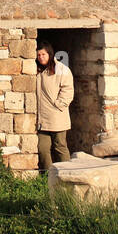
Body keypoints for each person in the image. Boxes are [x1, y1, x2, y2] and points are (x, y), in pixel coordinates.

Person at [36, 41, 73, 172]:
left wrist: (58, 105)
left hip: (57, 116)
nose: (41, 57)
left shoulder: (61, 69)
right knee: (43, 148)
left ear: (50, 54)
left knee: (60, 146)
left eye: (44, 54)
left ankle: (68, 174)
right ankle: (48, 177)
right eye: (39, 55)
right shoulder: (38, 70)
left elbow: (68, 90)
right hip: (42, 118)